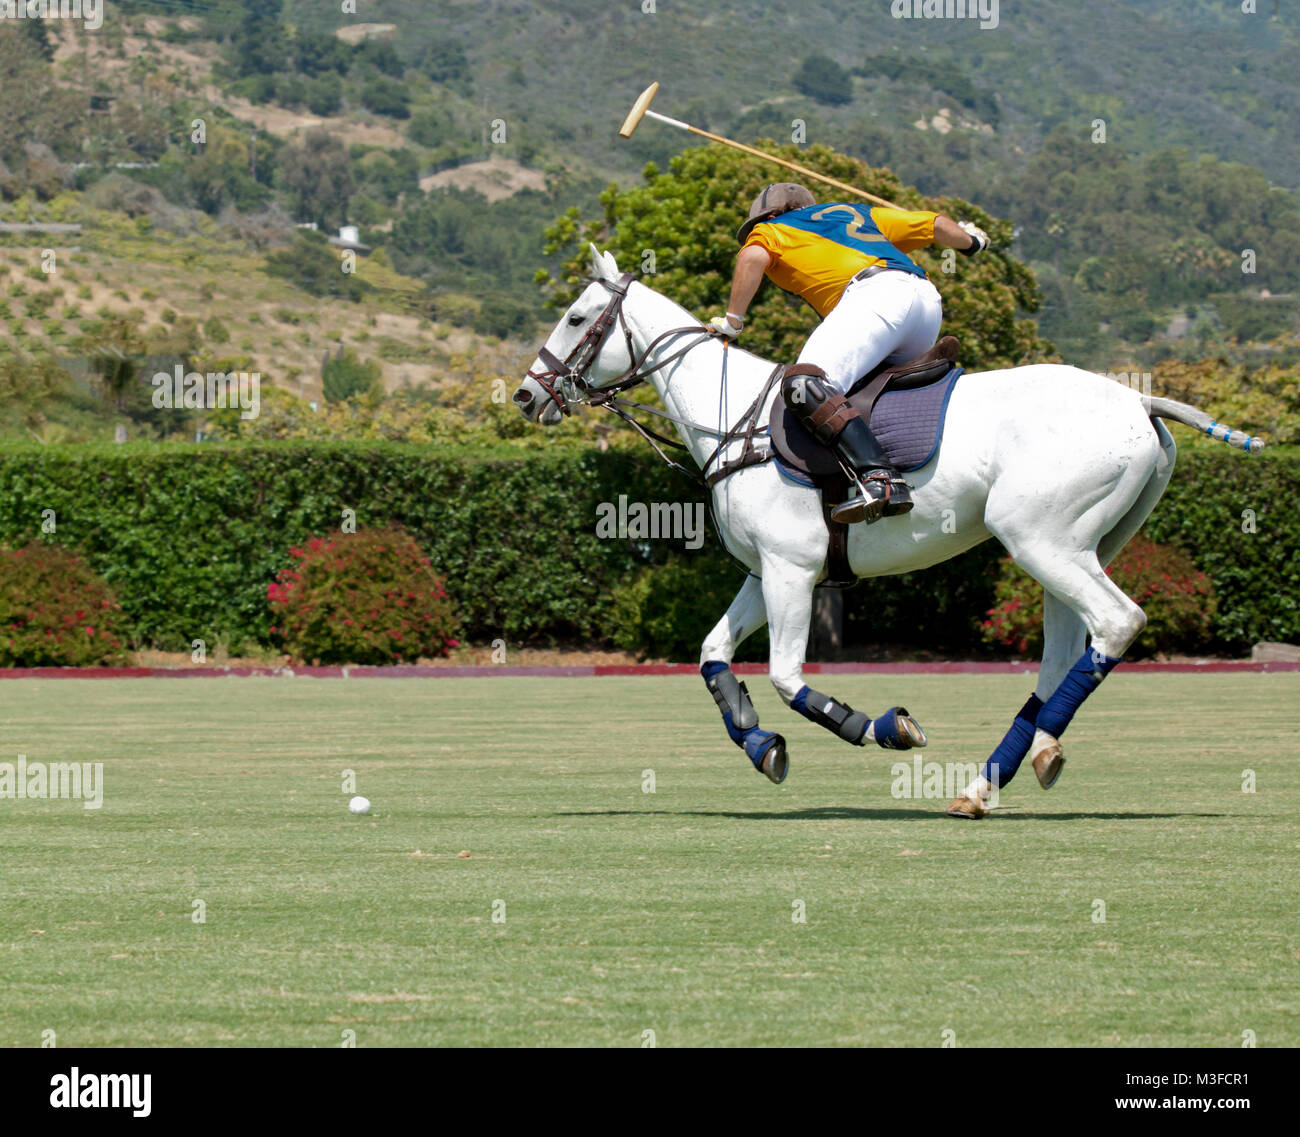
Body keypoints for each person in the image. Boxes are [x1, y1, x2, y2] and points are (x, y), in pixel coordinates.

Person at [711, 183, 989, 523]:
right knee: (865, 393)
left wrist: (733, 322)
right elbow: (936, 225)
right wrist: (971, 241)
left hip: (877, 298)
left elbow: (752, 257)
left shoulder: (771, 229)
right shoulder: (859, 213)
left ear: (769, 216)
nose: (754, 235)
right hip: (925, 302)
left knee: (805, 385)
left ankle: (879, 478)